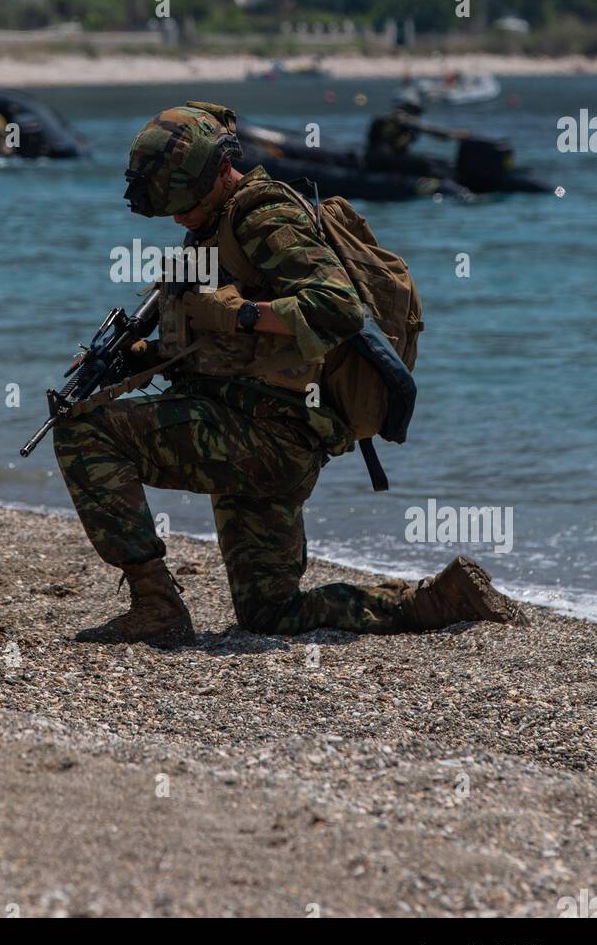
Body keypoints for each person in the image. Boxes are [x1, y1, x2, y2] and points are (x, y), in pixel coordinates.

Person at [53, 101, 526, 647]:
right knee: (270, 613)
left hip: (265, 435)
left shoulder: (261, 215)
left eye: (181, 203)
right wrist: (140, 356)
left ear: (211, 173)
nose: (177, 217)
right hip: (262, 437)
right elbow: (219, 343)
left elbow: (338, 307)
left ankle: (156, 605)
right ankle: (431, 603)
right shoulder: (212, 224)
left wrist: (238, 313)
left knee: (84, 430)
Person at [365, 99, 469, 176]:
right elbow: (431, 130)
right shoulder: (404, 120)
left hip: (378, 158)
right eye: (417, 114)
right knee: (425, 164)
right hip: (385, 161)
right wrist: (455, 135)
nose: (418, 117)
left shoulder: (385, 119)